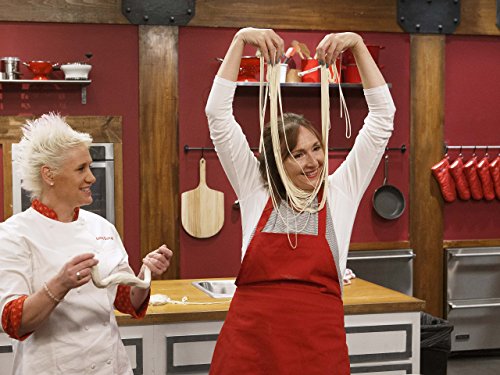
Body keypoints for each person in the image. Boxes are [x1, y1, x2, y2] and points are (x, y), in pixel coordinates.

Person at [205, 27, 396, 374]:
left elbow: (383, 118)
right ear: (277, 161)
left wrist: (356, 44)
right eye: (297, 154)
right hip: (250, 345)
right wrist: (239, 40)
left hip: (317, 346)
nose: (313, 162)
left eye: (316, 148)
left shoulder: (341, 192)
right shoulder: (255, 188)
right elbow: (217, 115)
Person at [0, 113, 173, 375]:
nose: (91, 178)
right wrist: (60, 284)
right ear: (49, 174)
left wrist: (145, 274)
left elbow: (126, 301)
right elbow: (14, 322)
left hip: (111, 366)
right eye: (81, 169)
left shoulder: (102, 227)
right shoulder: (14, 235)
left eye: (90, 167)